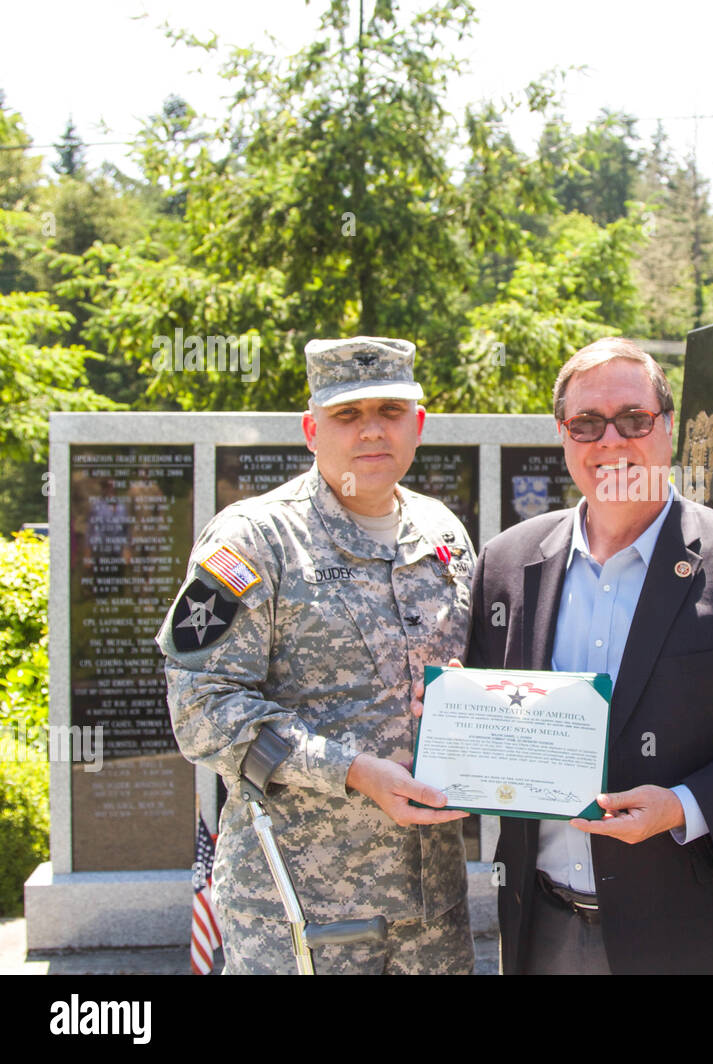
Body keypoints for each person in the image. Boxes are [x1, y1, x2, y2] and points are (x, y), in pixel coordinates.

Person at [465, 337, 713, 974]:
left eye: (634, 419)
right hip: (543, 929)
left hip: (697, 936)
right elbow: (489, 730)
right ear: (562, 434)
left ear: (667, 428)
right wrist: (452, 720)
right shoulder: (505, 563)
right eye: (586, 423)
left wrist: (684, 806)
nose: (611, 441)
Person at [157, 337, 475, 975]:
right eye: (347, 415)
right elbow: (201, 709)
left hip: (433, 909)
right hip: (302, 911)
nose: (370, 431)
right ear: (311, 429)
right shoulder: (254, 539)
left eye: (389, 411)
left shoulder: (444, 533)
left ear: (418, 426)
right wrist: (352, 770)